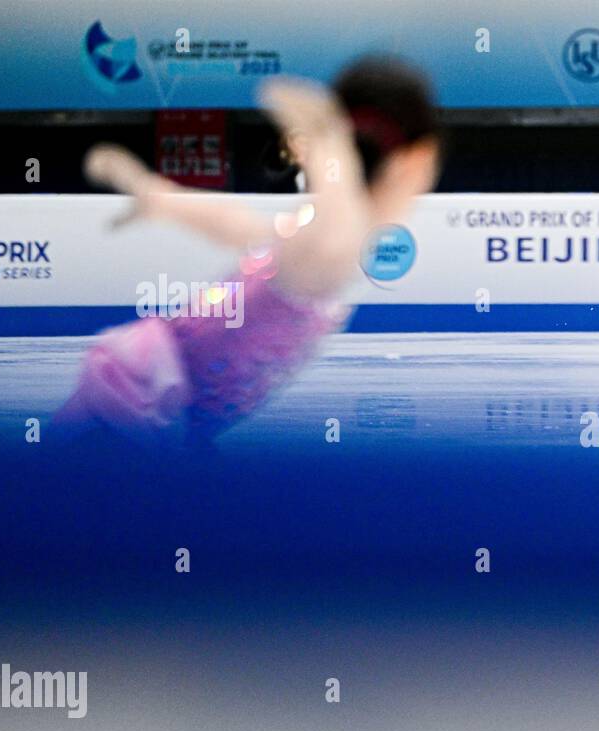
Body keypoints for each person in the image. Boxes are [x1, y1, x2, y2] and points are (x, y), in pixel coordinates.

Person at [54, 57, 439, 445]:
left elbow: (243, 227)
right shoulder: (333, 240)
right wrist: (327, 140)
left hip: (157, 409)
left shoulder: (324, 235)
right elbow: (317, 209)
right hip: (142, 408)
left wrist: (160, 196)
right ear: (417, 160)